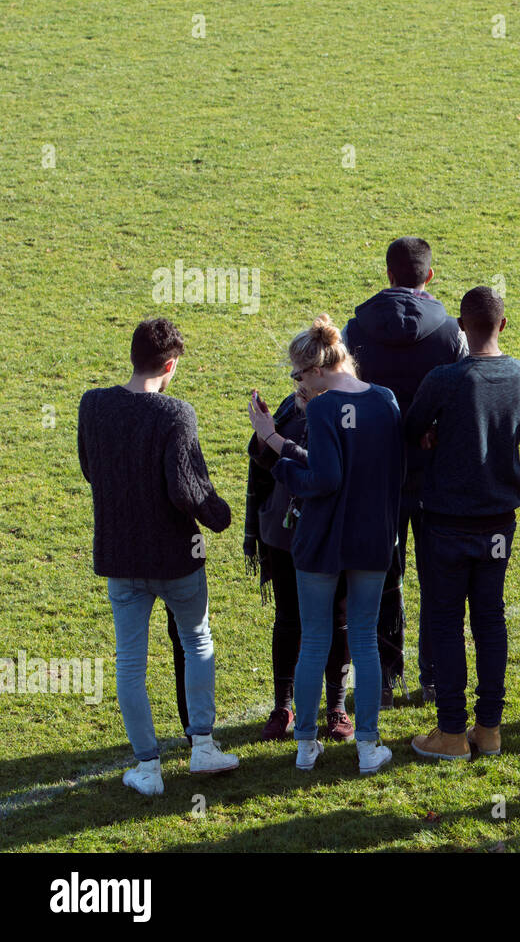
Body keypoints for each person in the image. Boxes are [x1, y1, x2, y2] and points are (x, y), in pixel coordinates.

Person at [77, 318, 239, 796]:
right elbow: (187, 489)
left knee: (130, 662)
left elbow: (90, 467)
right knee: (197, 641)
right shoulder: (175, 413)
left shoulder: (94, 405)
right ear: (169, 365)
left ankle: (147, 769)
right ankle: (203, 744)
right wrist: (221, 515)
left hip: (120, 555)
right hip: (175, 555)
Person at [250, 315, 404, 775]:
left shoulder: (319, 409)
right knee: (364, 640)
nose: (297, 384)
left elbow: (324, 477)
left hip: (321, 540)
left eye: (298, 375)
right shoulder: (386, 400)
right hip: (373, 537)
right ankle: (368, 747)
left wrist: (276, 460)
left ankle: (305, 746)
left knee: (314, 638)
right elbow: (387, 470)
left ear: (316, 370)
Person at [406, 286, 520, 760]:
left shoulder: (445, 379)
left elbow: (410, 428)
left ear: (461, 326)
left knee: (445, 621)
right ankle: (490, 728)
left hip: (445, 520)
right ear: (503, 324)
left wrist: (436, 437)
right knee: (490, 618)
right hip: (499, 519)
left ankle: (452, 732)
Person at [343, 237, 467, 708]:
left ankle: (385, 677)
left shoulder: (356, 329)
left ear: (388, 273)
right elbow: (459, 399)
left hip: (375, 474)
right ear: (429, 277)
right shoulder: (449, 332)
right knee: (438, 579)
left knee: (379, 577)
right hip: (433, 474)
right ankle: (434, 678)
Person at [244, 388, 352, 741]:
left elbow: (324, 466)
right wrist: (265, 433)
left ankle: (337, 707)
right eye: (295, 375)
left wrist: (273, 437)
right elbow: (265, 462)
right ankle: (283, 706)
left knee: (339, 619)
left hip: (331, 532)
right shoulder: (290, 408)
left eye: (303, 374)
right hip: (283, 532)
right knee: (288, 618)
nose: (298, 383)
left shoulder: (344, 410)